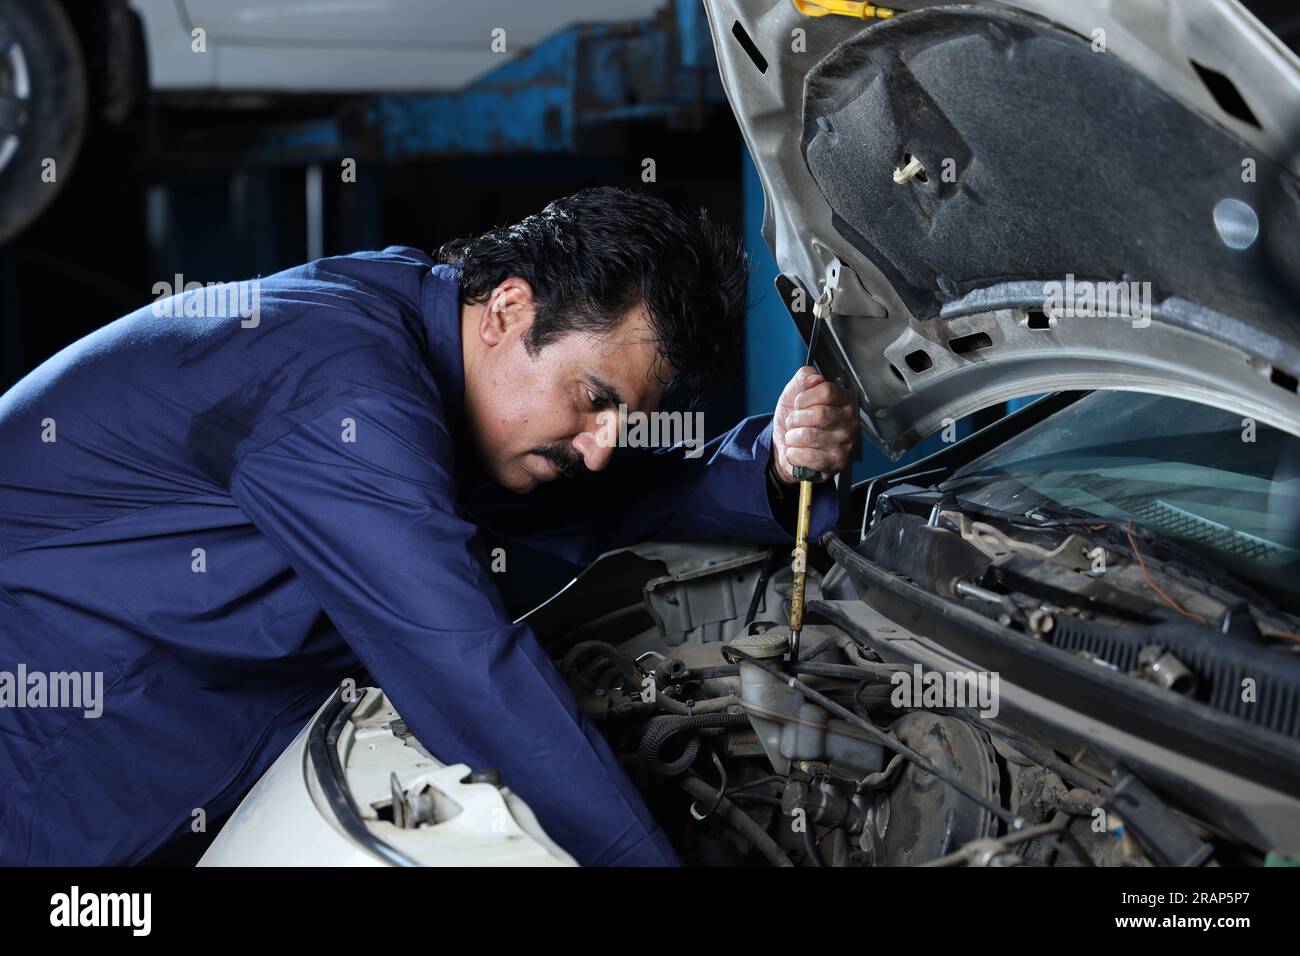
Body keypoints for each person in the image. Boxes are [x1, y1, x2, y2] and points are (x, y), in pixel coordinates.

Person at [0, 187, 855, 865]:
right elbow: (463, 669)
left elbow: (599, 496)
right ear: (509, 310)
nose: (601, 450)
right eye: (596, 403)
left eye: (622, 423)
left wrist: (770, 465)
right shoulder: (345, 388)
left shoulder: (424, 338)